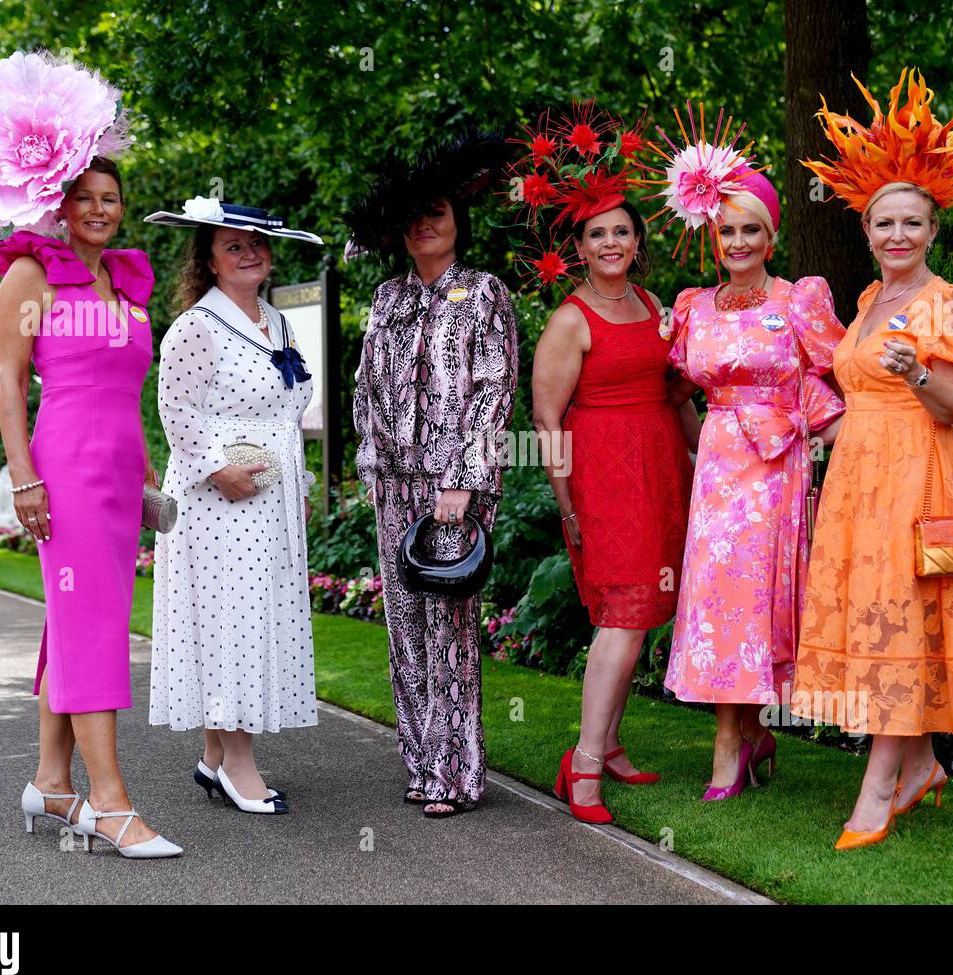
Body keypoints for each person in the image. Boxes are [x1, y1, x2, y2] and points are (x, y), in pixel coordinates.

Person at [0, 51, 180, 857]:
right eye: (87, 197)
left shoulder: (126, 280)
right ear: (59, 202)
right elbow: (12, 388)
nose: (103, 209)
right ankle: (111, 803)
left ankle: (51, 782)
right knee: (95, 627)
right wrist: (24, 477)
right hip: (64, 468)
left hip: (117, 466)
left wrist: (144, 454)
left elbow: (124, 383)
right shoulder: (29, 277)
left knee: (78, 621)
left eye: (113, 198)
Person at [794, 68, 953, 849]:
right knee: (882, 621)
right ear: (867, 230)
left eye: (912, 223)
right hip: (857, 478)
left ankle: (878, 787)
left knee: (902, 622)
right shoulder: (864, 306)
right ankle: (919, 766)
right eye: (885, 222)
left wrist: (918, 373)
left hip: (918, 474)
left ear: (933, 230)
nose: (898, 235)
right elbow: (851, 391)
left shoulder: (946, 302)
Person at [648, 122, 846, 800]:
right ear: (714, 237)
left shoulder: (800, 299)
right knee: (717, 598)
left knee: (756, 600)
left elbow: (839, 375)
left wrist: (822, 428)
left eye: (751, 231)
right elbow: (673, 387)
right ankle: (745, 734)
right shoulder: (692, 308)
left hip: (776, 469)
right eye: (726, 232)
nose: (737, 243)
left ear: (770, 236)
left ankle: (733, 741)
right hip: (719, 463)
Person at [520, 106, 697, 823]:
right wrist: (568, 504)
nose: (612, 242)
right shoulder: (571, 319)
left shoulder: (655, 303)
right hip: (603, 479)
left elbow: (677, 391)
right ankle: (583, 766)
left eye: (622, 230)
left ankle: (613, 741)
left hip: (661, 473)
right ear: (581, 247)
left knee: (646, 611)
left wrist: (704, 458)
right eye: (598, 234)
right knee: (623, 614)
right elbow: (545, 420)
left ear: (636, 239)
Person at [348, 131, 518, 817]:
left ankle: (457, 772)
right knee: (404, 623)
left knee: (449, 623)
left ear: (458, 222)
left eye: (438, 212)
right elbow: (364, 387)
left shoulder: (484, 293)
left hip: (455, 486)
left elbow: (494, 390)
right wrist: (370, 465)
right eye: (415, 214)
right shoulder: (387, 298)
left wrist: (463, 479)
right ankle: (421, 764)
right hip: (393, 481)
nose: (426, 223)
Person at [144, 198, 324, 814]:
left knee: (254, 619)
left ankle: (215, 756)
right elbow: (176, 409)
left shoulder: (277, 321)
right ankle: (240, 762)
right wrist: (217, 470)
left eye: (256, 244)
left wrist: (296, 489)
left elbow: (288, 411)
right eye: (233, 246)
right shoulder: (197, 326)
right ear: (212, 261)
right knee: (234, 624)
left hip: (271, 498)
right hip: (218, 503)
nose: (249, 253)